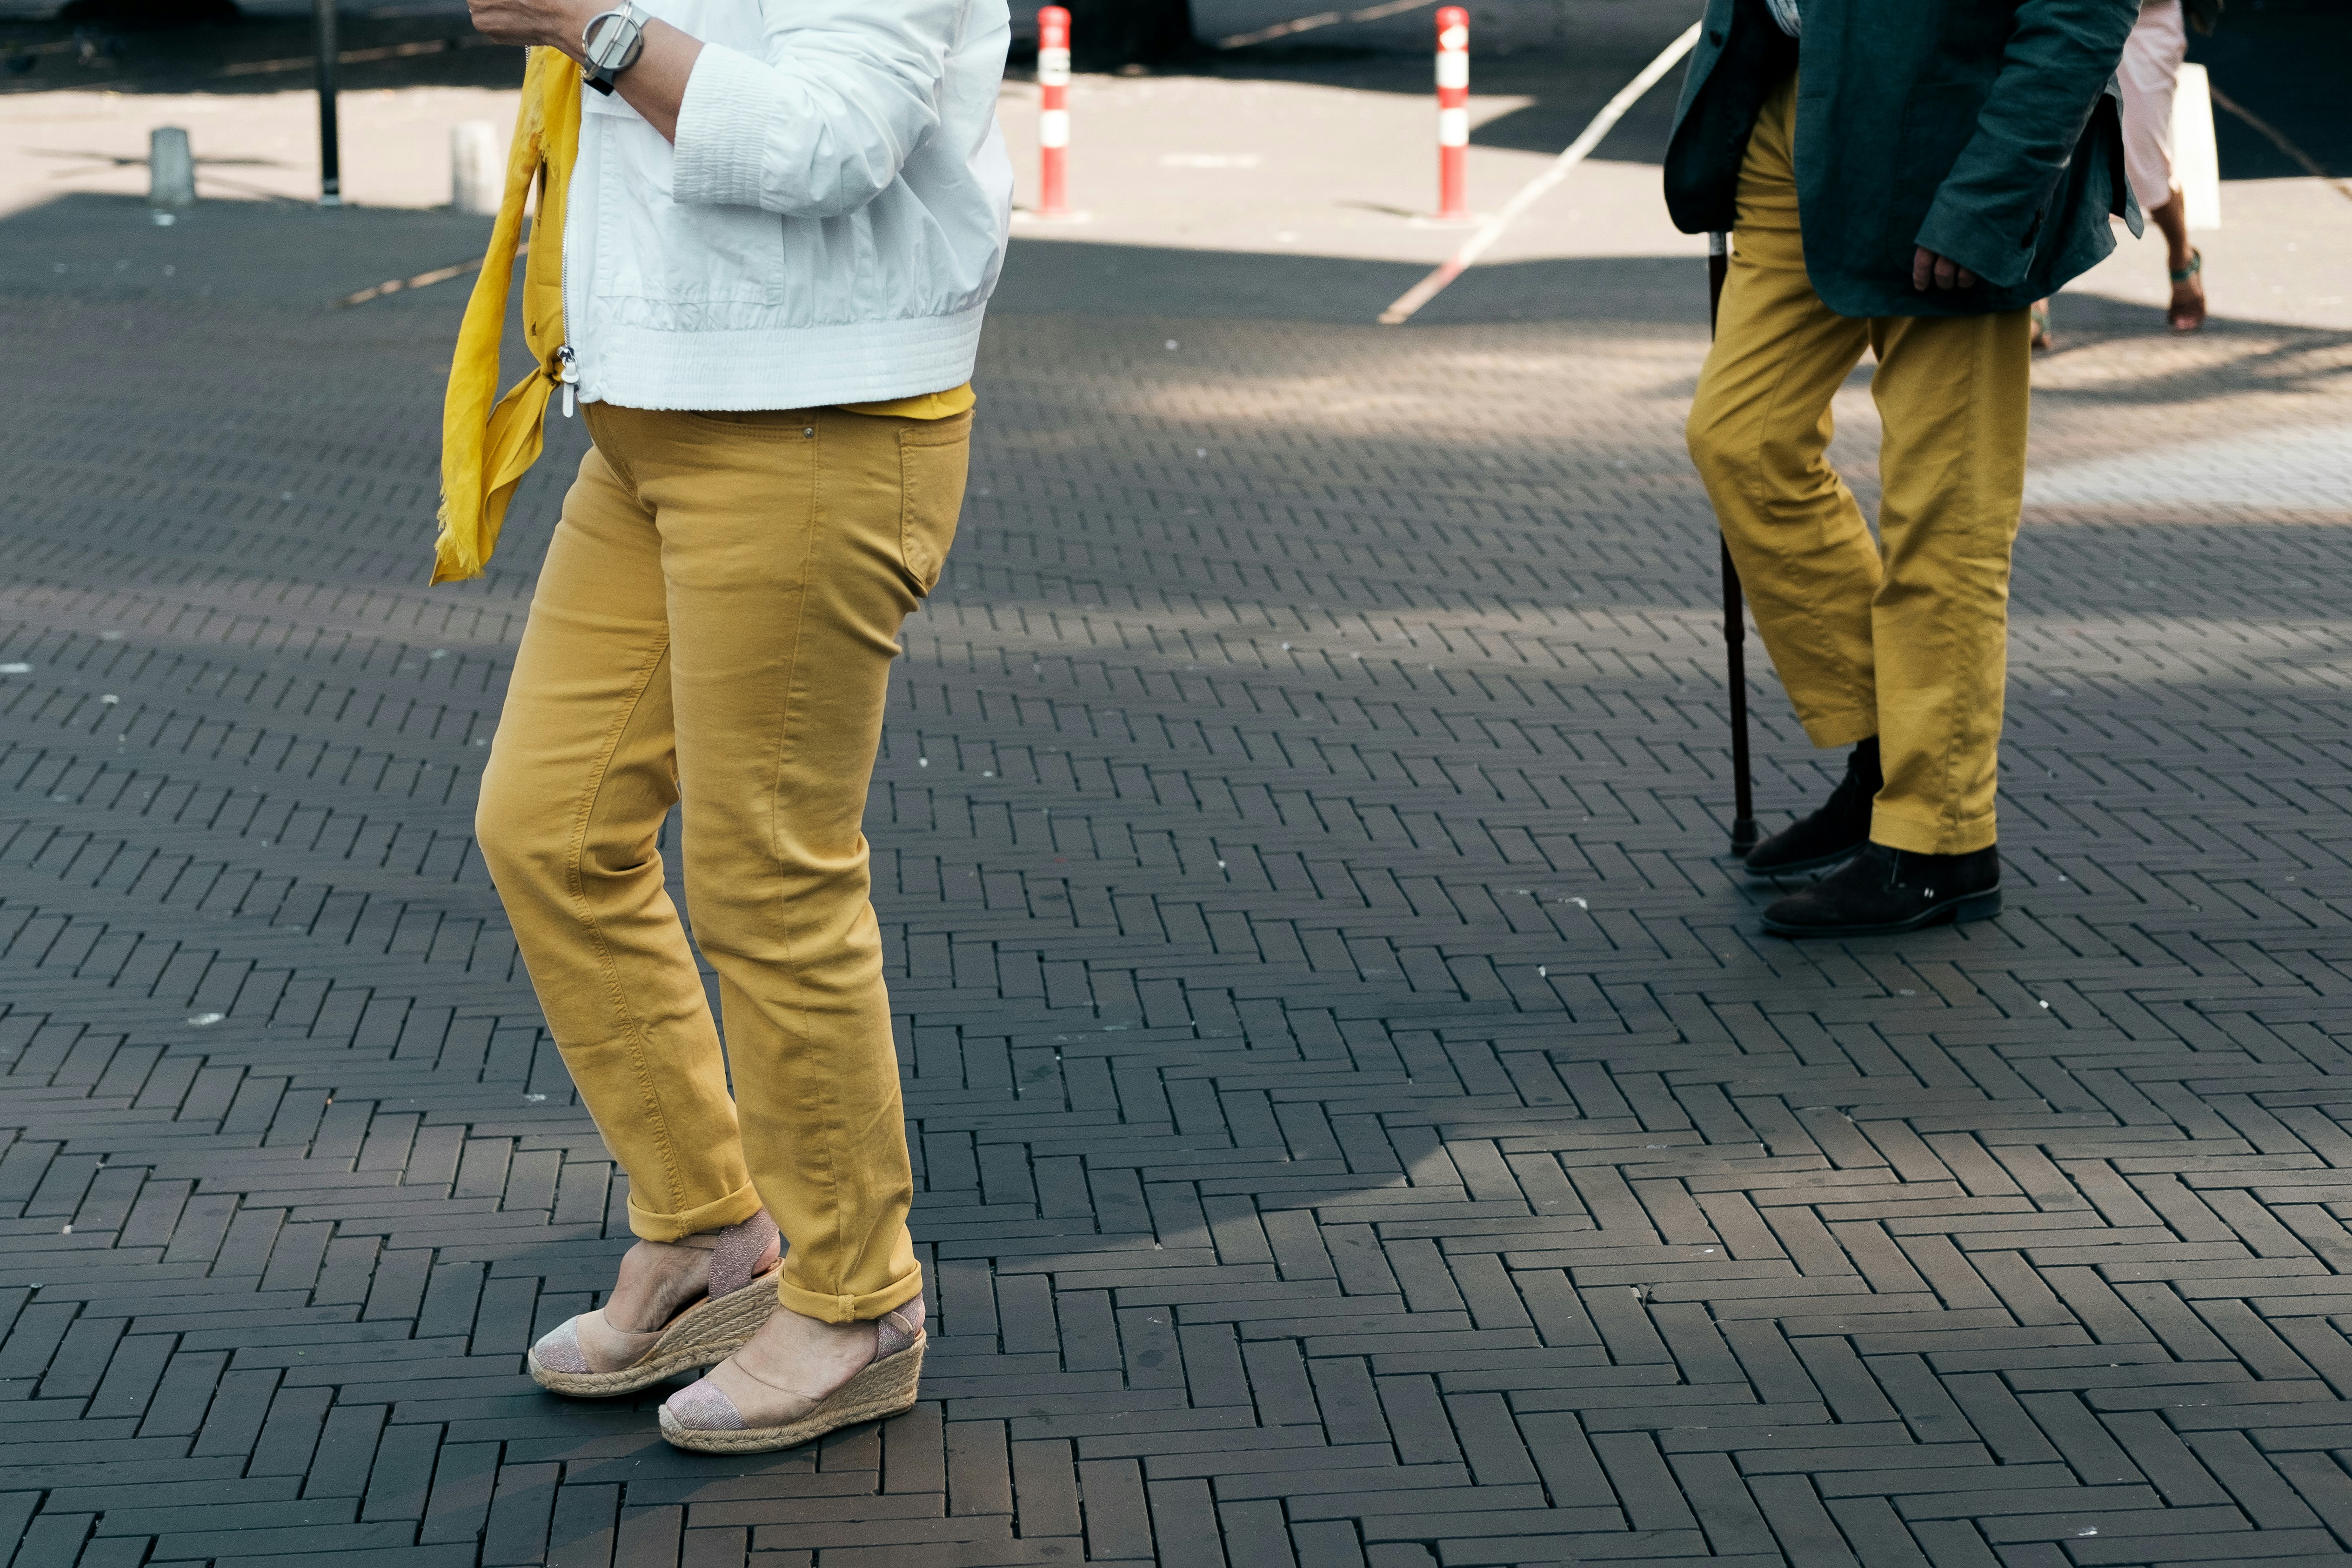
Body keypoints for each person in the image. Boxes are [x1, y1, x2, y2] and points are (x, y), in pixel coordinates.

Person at [434, 0, 1011, 1452]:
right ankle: (708, 1229)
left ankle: (858, 1297)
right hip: (651, 407)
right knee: (549, 830)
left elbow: (832, 141)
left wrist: (588, 26)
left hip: (818, 414)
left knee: (769, 874)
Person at [1666, 0, 2139, 937]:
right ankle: (1895, 746)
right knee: (1740, 439)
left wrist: (1989, 201)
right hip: (1790, 124)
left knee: (1945, 516)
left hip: (1947, 154)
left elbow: (2081, 12)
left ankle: (1939, 838)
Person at [2035, 0, 2218, 347]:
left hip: (2146, 18)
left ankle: (2181, 254)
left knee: (2145, 160)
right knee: (2048, 149)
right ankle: (2034, 294)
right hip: (2062, 16)